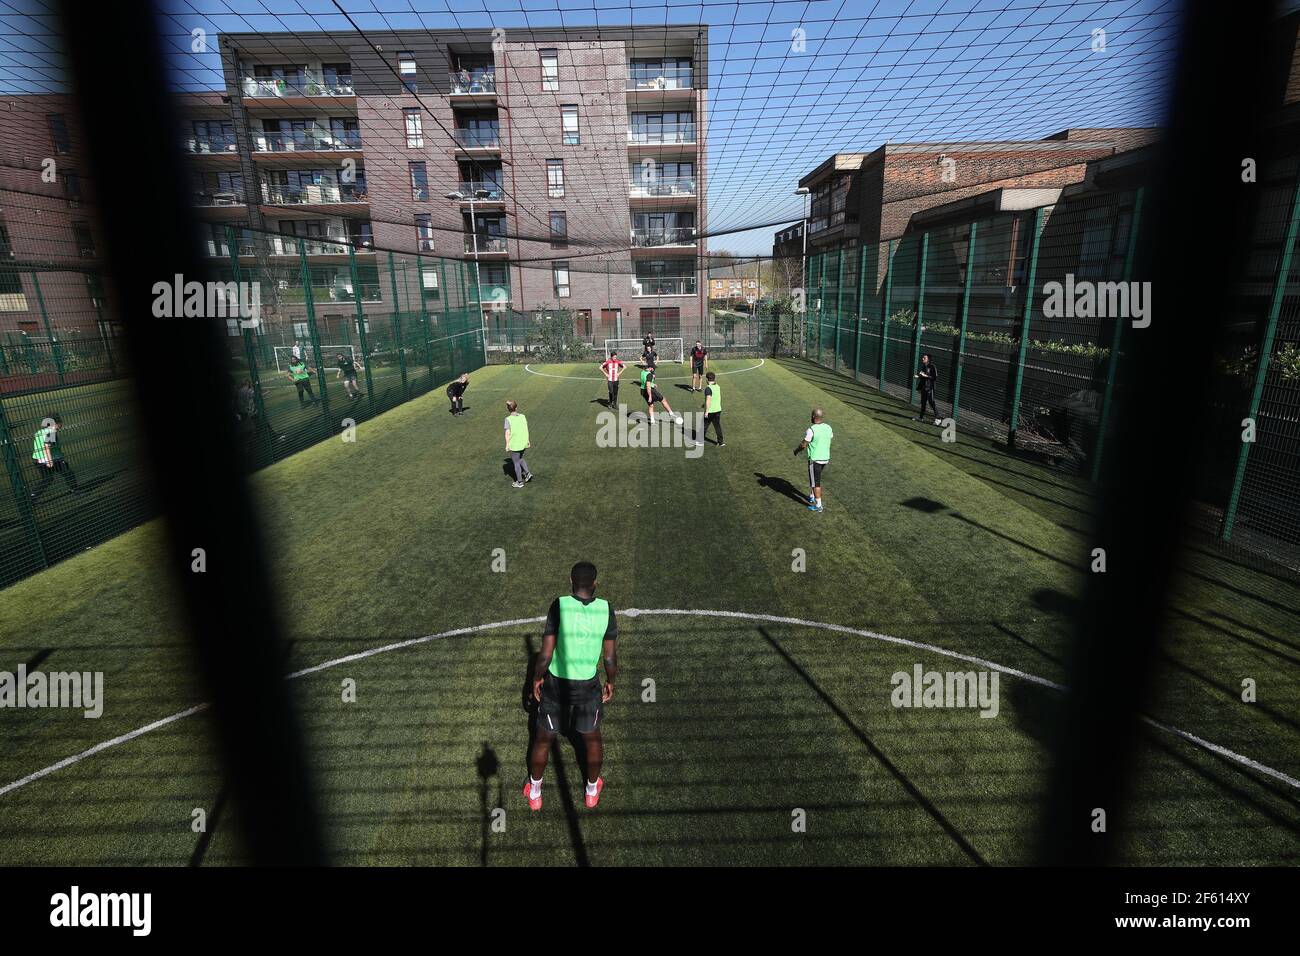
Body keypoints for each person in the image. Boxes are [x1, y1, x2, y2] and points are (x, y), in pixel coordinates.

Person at [525, 561, 618, 812]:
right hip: (588, 688)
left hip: (555, 686)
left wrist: (536, 678)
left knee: (543, 739)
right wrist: (610, 681)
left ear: (571, 581)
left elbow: (545, 653)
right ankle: (590, 791)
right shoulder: (606, 609)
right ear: (595, 583)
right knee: (592, 740)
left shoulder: (559, 605)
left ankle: (534, 791)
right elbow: (609, 657)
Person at [29, 413, 80, 501]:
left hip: (38, 460)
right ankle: (75, 490)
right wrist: (49, 460)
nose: (61, 424)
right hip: (52, 459)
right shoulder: (51, 432)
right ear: (55, 423)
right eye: (60, 422)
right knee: (68, 473)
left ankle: (32, 495)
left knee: (47, 479)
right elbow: (46, 446)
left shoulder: (40, 432)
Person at [794, 407, 832, 513]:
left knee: (816, 483)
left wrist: (797, 450)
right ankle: (811, 496)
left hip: (815, 459)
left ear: (814, 417)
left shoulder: (811, 430)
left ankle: (819, 506)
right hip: (825, 458)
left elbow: (804, 444)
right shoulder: (828, 427)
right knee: (814, 478)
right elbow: (830, 437)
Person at [504, 399, 533, 488]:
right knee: (520, 458)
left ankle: (519, 482)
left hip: (515, 444)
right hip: (523, 442)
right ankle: (527, 474)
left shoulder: (508, 419)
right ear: (516, 408)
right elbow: (526, 428)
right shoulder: (523, 416)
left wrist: (507, 444)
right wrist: (527, 440)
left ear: (508, 409)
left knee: (516, 462)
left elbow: (507, 433)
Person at [915, 353, 939, 424]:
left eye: (924, 358)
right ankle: (921, 418)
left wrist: (926, 376)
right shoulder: (923, 366)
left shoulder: (932, 367)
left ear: (928, 359)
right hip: (924, 388)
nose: (922, 359)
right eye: (923, 358)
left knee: (932, 403)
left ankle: (938, 419)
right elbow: (922, 377)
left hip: (930, 388)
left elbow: (934, 378)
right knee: (923, 403)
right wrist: (918, 376)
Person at [702, 371, 724, 446]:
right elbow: (715, 397)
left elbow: (708, 399)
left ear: (707, 380)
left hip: (710, 411)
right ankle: (721, 442)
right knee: (717, 426)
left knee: (704, 426)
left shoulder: (708, 388)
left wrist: (706, 412)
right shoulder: (718, 386)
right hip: (718, 410)